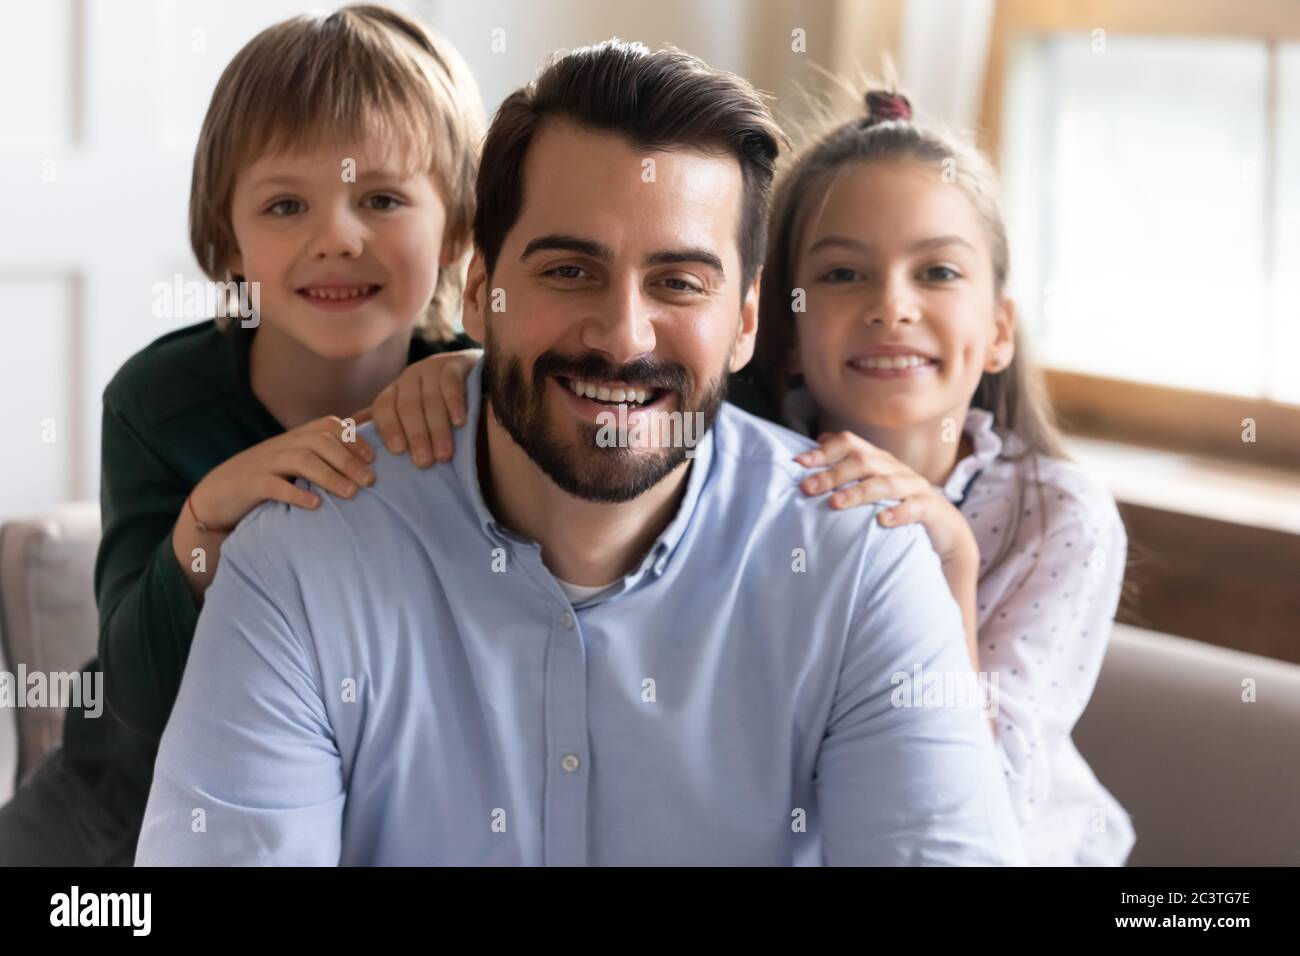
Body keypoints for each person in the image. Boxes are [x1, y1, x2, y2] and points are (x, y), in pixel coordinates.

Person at [135, 40, 1025, 866]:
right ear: (482, 290)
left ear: (747, 320)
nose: (622, 335)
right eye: (569, 271)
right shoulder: (298, 559)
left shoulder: (864, 568)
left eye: (678, 282)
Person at [376, 84, 1135, 867]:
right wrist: (470, 371)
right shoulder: (740, 452)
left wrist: (952, 569)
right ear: (779, 325)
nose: (892, 307)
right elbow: (606, 372)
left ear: (1001, 328)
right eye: (843, 275)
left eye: (938, 272)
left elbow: (984, 811)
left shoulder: (1055, 517)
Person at [0, 4, 484, 866]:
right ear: (228, 239)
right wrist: (200, 531)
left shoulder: (484, 396)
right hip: (112, 824)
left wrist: (477, 375)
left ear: (454, 228)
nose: (336, 236)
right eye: (286, 204)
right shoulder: (157, 404)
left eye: (381, 198)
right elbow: (135, 704)